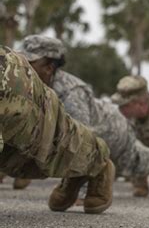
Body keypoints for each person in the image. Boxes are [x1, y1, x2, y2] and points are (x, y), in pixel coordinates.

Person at [15, 35, 149, 199]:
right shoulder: (30, 85)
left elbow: (82, 140)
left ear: (49, 67)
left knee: (132, 160)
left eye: (29, 63)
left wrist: (84, 191)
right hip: (96, 126)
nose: (22, 67)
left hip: (109, 127)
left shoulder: (70, 92)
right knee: (130, 160)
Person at [0, 45, 114, 214]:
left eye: (33, 60)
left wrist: (80, 191)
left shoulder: (72, 90)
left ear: (49, 68)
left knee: (59, 146)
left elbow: (80, 125)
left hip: (20, 93)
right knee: (11, 160)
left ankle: (98, 163)